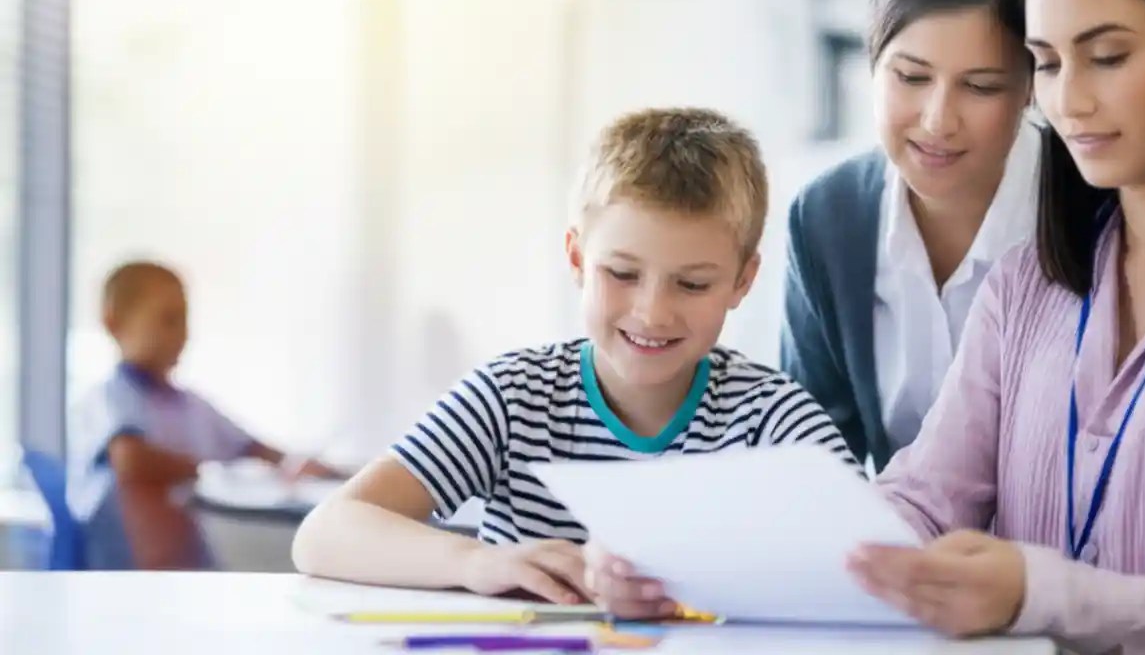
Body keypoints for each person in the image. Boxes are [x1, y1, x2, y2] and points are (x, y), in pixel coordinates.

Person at [589, 0, 1145, 651]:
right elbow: (919, 499)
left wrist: (1033, 592)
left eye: (1107, 57)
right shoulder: (1026, 290)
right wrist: (700, 565)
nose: (1069, 100)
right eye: (1047, 63)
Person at [291, 108, 858, 605]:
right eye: (622, 273)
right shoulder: (514, 396)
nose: (652, 313)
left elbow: (873, 559)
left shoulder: (769, 414)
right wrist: (475, 563)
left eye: (692, 284)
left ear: (742, 281)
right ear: (577, 257)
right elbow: (325, 533)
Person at [781, 0, 1038, 471]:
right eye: (911, 77)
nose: (938, 119)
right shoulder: (827, 218)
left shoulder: (1095, 206)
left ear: (1031, 87)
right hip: (895, 545)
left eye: (982, 86)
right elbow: (811, 461)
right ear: (873, 62)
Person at [66, 261, 342, 569]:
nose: (182, 334)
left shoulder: (189, 405)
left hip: (180, 566)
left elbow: (253, 448)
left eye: (185, 320)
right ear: (114, 324)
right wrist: (204, 470)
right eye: (168, 320)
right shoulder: (111, 397)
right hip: (125, 571)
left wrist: (312, 468)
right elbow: (129, 459)